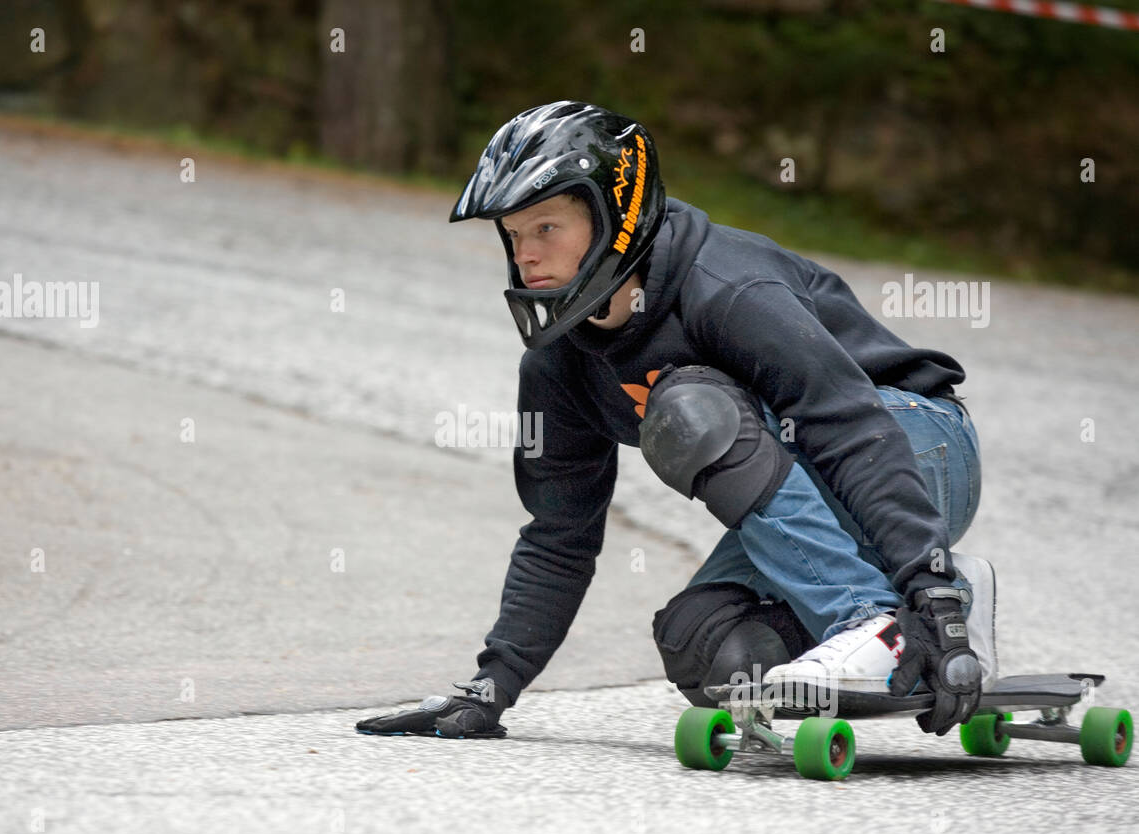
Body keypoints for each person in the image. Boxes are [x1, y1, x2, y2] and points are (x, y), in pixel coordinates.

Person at [356, 100, 989, 742]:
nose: (526, 256)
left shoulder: (726, 290)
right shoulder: (558, 364)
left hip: (914, 446)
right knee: (708, 648)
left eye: (546, 228)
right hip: (833, 487)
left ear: (614, 217)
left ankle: (876, 622)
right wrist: (493, 687)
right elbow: (559, 534)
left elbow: (850, 429)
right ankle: (926, 617)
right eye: (514, 235)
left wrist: (928, 585)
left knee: (690, 409)